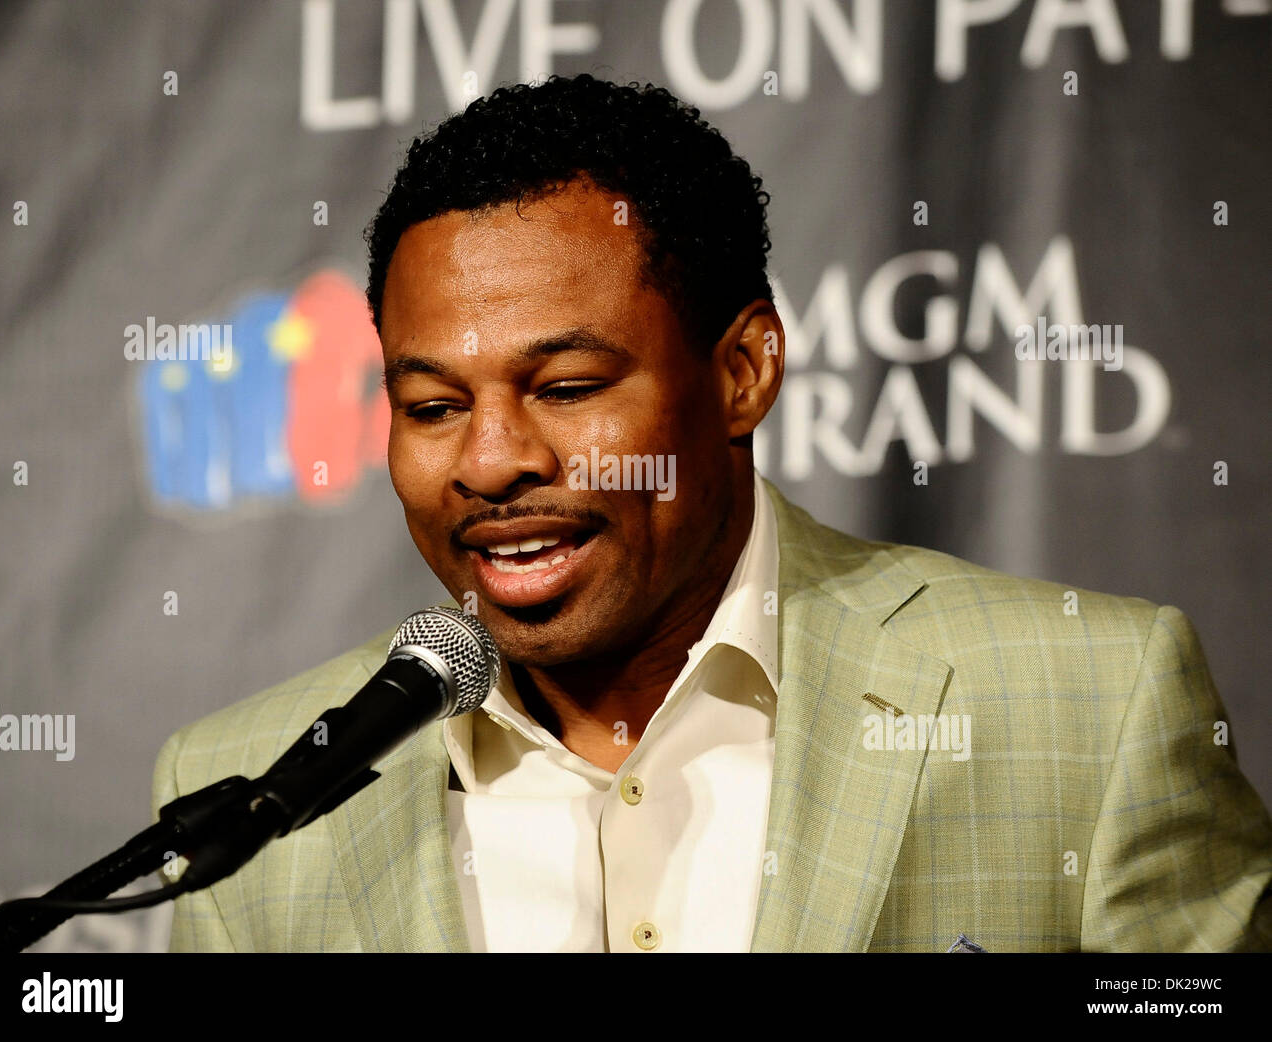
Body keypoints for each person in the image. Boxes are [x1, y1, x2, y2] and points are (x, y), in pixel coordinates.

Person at [152, 74, 1272, 953]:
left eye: (568, 388)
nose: (491, 461)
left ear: (741, 371)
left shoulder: (1088, 705)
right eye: (432, 404)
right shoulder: (252, 791)